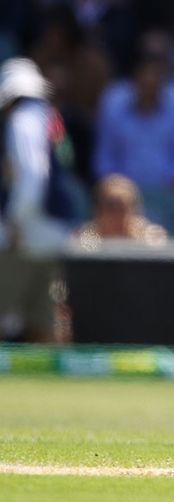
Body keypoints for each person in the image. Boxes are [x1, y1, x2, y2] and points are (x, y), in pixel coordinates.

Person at [0, 58, 80, 343]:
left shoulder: (23, 120)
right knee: (44, 320)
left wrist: (15, 222)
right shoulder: (50, 117)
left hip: (27, 231)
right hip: (55, 232)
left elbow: (32, 176)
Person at [74, 173, 167, 246]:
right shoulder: (88, 237)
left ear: (134, 210)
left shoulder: (148, 237)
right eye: (110, 207)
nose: (116, 215)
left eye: (122, 208)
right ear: (97, 211)